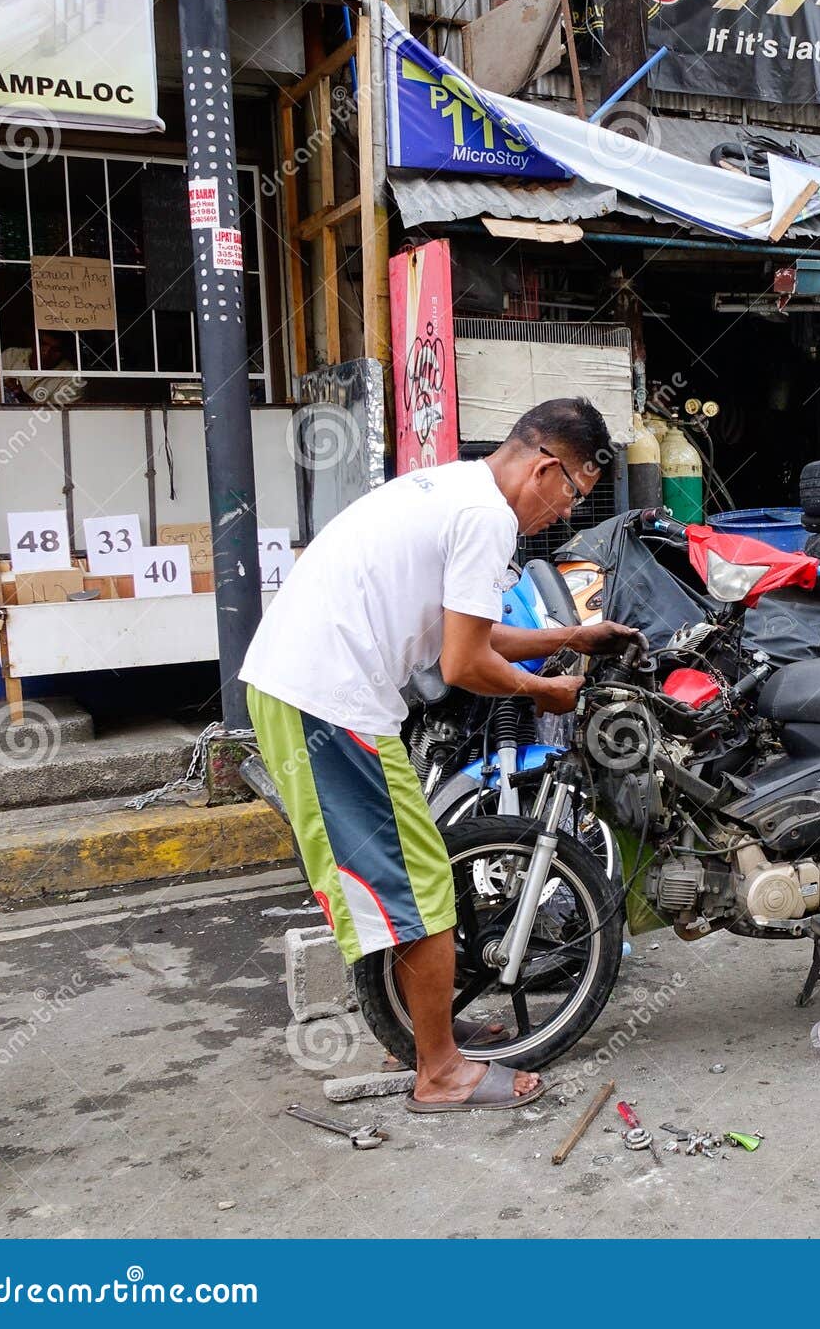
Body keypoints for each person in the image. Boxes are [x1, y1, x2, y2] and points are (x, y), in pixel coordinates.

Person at [241, 399, 642, 1113]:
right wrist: (545, 691)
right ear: (547, 467)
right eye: (574, 494)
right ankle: (440, 1074)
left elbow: (467, 637)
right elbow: (465, 666)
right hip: (328, 702)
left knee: (413, 870)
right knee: (419, 880)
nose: (566, 513)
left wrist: (571, 640)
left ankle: (435, 1035)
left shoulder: (453, 489)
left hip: (308, 690)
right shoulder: (485, 518)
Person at [1, 329, 78, 405]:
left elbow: (54, 416)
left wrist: (21, 395)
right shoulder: (10, 356)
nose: (46, 352)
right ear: (33, 341)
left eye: (55, 349)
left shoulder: (72, 380)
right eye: (43, 344)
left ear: (64, 351)